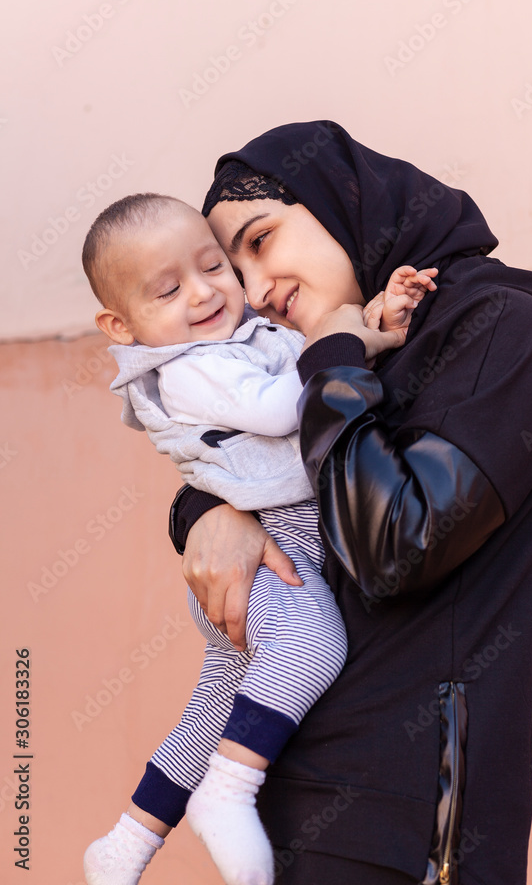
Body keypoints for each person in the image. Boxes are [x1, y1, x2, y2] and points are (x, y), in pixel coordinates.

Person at [170, 120, 532, 885]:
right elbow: (256, 474)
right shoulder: (347, 354)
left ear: (342, 204)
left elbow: (394, 547)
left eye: (261, 242)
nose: (256, 292)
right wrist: (204, 514)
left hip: (413, 829)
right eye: (236, 271)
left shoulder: (499, 330)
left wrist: (330, 359)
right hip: (288, 806)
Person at [79, 191, 436, 885]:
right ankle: (229, 790)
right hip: (275, 558)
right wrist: (338, 343)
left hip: (264, 556)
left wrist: (372, 320)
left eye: (212, 266)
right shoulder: (189, 368)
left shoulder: (244, 338)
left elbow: (314, 356)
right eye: (168, 288)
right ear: (120, 324)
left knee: (213, 709)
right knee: (313, 645)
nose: (204, 291)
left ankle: (126, 842)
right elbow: (282, 409)